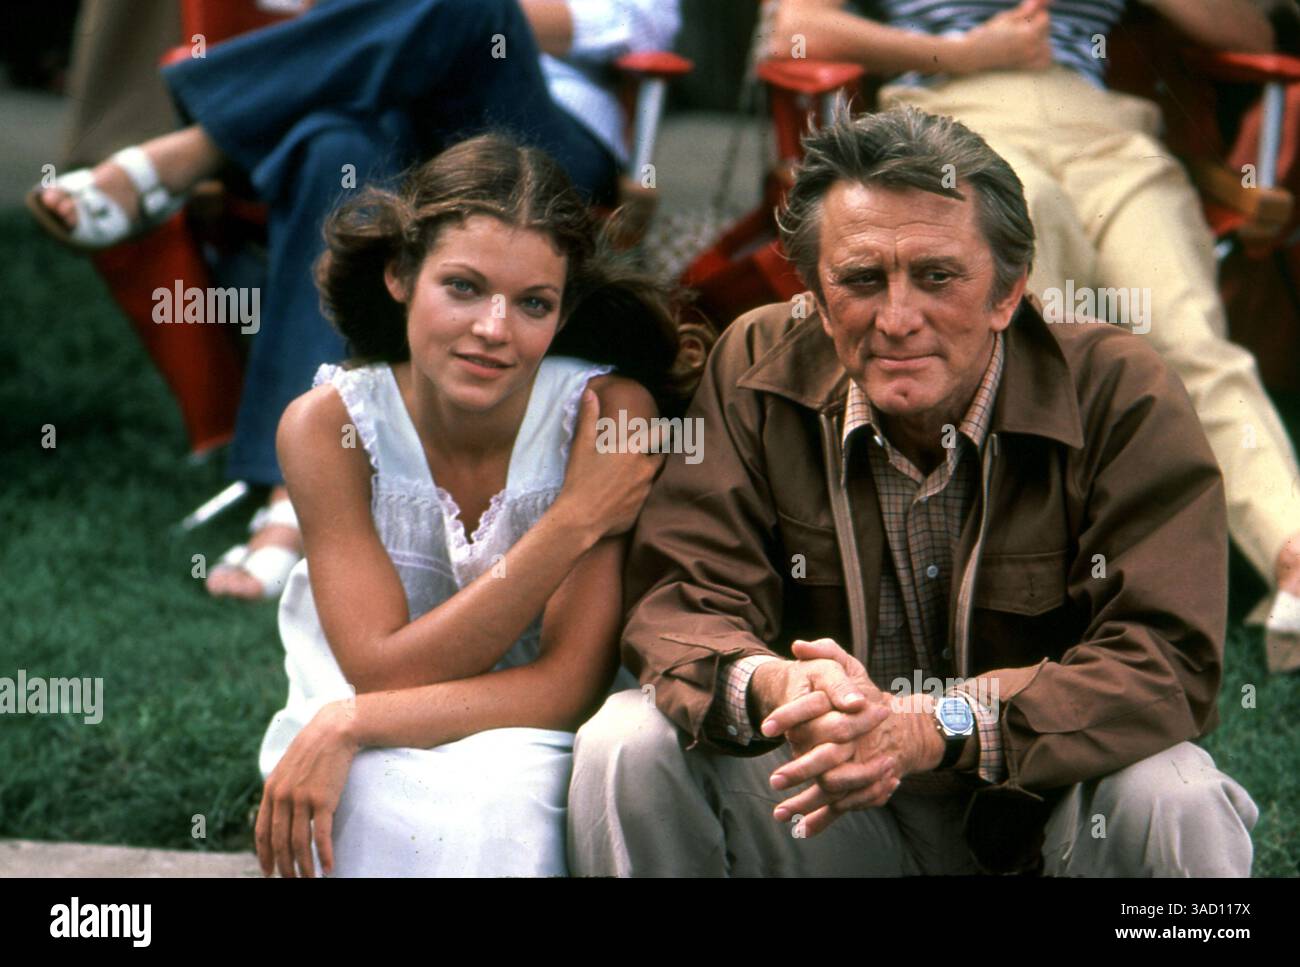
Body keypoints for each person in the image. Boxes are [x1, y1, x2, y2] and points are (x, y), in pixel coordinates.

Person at [567, 105, 1259, 877]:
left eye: (937, 276)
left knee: (1177, 794)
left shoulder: (1117, 390)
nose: (897, 318)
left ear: (1008, 291)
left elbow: (1165, 659)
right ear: (821, 302)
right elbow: (681, 598)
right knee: (627, 741)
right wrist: (777, 684)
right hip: (825, 807)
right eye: (862, 280)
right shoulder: (754, 365)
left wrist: (937, 722)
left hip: (1039, 820)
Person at [27, 0, 681, 602]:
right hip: (384, 101)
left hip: (538, 126)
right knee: (335, 147)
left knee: (468, 5)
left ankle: (192, 151)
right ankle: (295, 487)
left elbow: (643, 22)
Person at [763, 0, 1300, 672]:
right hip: (959, 126)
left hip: (1105, 129)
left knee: (1189, 331)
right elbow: (794, 31)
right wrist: (963, 53)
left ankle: (1291, 555)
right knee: (1030, 317)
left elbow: (1251, 32)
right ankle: (1014, 574)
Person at [252, 132, 677, 877]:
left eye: (533, 303)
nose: (494, 329)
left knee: (497, 805)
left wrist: (352, 722)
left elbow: (567, 684)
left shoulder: (609, 411)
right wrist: (574, 520)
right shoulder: (329, 425)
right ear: (399, 274)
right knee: (372, 805)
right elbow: (379, 670)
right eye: (464, 286)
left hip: (531, 733)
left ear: (563, 311)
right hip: (363, 721)